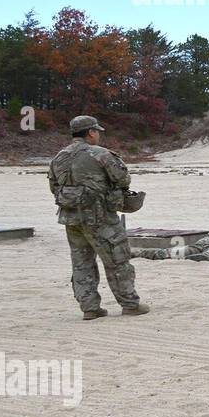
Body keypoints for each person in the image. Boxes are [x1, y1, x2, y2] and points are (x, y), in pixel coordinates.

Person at [47, 115, 149, 319]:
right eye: (97, 132)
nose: (98, 135)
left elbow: (54, 187)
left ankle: (90, 308)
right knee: (117, 260)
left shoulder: (59, 157)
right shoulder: (100, 154)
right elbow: (123, 179)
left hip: (71, 219)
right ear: (91, 132)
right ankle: (130, 304)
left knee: (82, 263)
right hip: (100, 217)